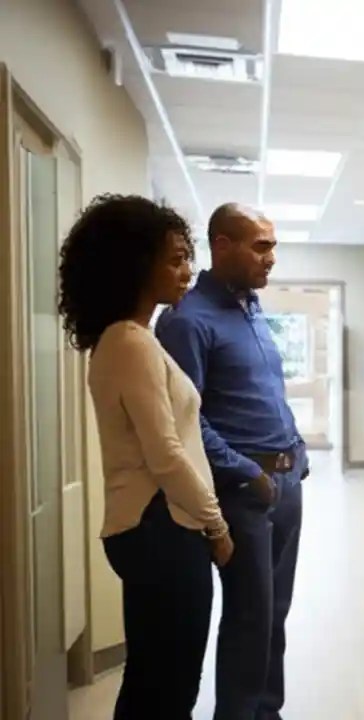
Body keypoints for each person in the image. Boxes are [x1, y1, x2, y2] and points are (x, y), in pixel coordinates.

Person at [57, 194, 234, 718]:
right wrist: (217, 526)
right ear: (137, 264)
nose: (188, 269)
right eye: (176, 257)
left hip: (152, 527)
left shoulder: (130, 339)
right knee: (169, 686)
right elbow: (167, 455)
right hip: (161, 527)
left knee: (153, 679)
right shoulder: (129, 343)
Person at [156, 203, 308, 720]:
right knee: (249, 619)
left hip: (287, 481)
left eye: (273, 246)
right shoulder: (187, 320)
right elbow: (186, 421)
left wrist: (298, 451)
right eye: (260, 246)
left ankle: (268, 712)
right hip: (244, 492)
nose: (271, 258)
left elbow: (265, 393)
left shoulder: (251, 307)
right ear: (221, 245)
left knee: (275, 617)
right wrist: (249, 474)